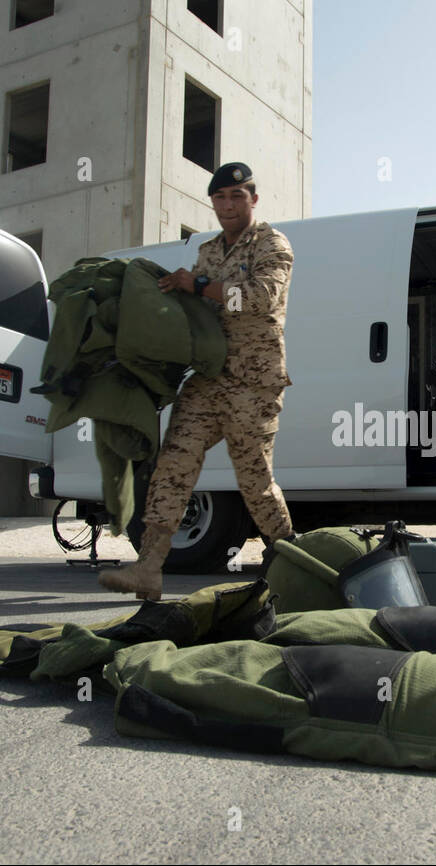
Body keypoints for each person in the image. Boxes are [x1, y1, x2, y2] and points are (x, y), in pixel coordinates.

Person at [99, 162, 295, 601]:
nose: (227, 205)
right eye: (220, 198)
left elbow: (261, 297)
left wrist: (200, 284)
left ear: (253, 199)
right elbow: (197, 311)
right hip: (209, 380)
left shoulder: (272, 243)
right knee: (173, 463)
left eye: (237, 196)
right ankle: (148, 568)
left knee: (255, 481)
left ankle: (293, 559)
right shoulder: (207, 250)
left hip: (254, 382)